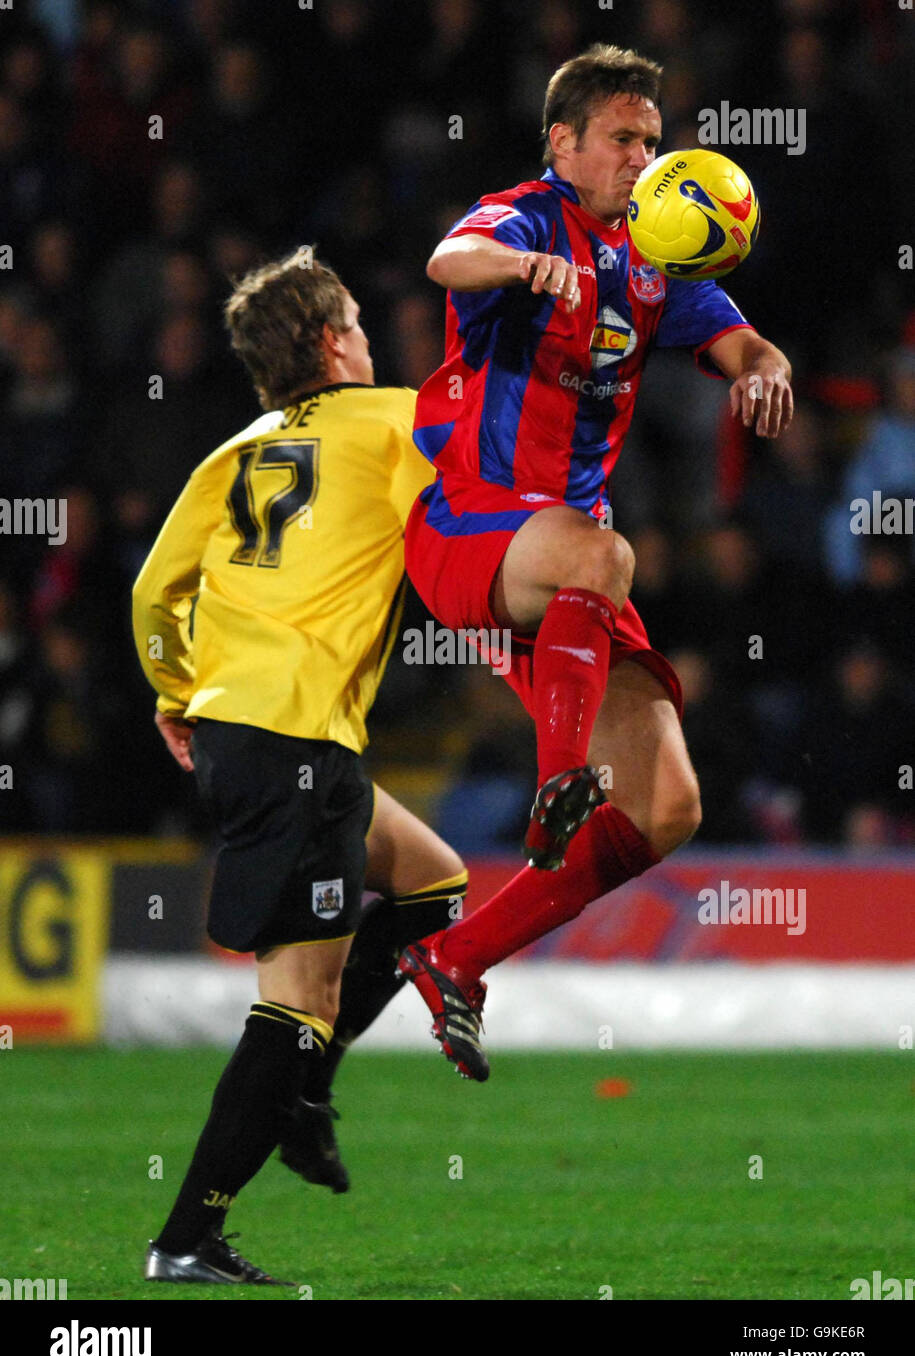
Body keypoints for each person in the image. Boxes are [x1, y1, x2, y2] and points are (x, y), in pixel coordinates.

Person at [397, 44, 793, 1080]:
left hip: (570, 573)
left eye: (652, 141)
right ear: (563, 142)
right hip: (471, 527)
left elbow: (740, 342)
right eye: (623, 139)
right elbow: (448, 261)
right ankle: (558, 778)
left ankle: (454, 958)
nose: (641, 158)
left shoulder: (654, 260)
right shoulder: (524, 215)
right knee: (604, 549)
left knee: (668, 805)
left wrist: (767, 368)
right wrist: (525, 267)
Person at [132, 249, 466, 1284]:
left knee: (434, 883)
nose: (369, 337)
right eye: (357, 321)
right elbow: (464, 512)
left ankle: (308, 1097)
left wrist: (173, 693)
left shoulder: (229, 455)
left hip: (244, 734)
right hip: (302, 744)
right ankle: (188, 1236)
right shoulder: (394, 419)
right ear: (329, 341)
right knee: (294, 1004)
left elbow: (153, 593)